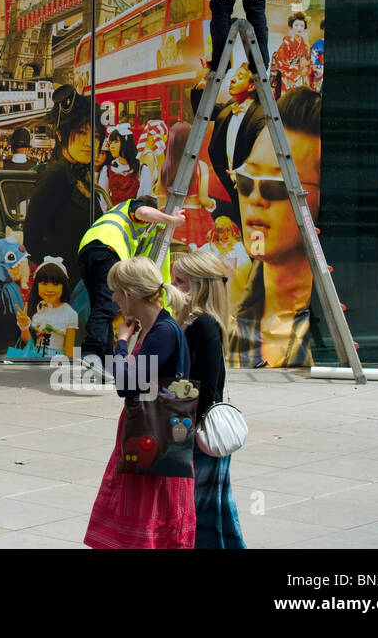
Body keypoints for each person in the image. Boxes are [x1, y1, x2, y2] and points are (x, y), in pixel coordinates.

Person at [84, 256, 196, 549]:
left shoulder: (162, 332)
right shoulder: (154, 328)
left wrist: (120, 343)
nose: (114, 298)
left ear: (131, 294)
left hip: (154, 434)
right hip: (146, 431)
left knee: (149, 515)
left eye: (117, 292)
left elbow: (126, 384)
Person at [227, 87, 321, 368]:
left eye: (275, 187)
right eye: (245, 181)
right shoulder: (229, 294)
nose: (255, 198)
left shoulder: (329, 318)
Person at [171, 250, 246, 550]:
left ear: (199, 286)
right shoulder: (192, 320)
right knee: (210, 505)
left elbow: (209, 385)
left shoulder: (204, 324)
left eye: (179, 281)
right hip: (192, 425)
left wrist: (184, 425)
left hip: (198, 430)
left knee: (204, 506)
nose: (172, 286)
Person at [76, 193, 185, 374]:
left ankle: (105, 361)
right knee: (106, 306)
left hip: (88, 251)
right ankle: (91, 352)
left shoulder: (117, 214)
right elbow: (144, 211)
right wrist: (172, 220)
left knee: (101, 307)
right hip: (108, 250)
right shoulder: (133, 207)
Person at [22, 85, 99, 286]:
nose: (88, 142)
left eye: (95, 136)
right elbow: (32, 241)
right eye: (81, 132)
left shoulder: (80, 174)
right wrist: (65, 273)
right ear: (59, 135)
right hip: (68, 290)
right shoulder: (55, 178)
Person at [190, 60, 262, 227]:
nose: (233, 79)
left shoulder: (261, 113)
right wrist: (202, 86)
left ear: (252, 87)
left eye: (240, 77)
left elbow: (263, 148)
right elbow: (203, 113)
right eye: (234, 76)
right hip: (232, 186)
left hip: (252, 187)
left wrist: (244, 171)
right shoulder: (231, 105)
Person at [161, 122, 215, 249]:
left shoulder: (166, 167)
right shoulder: (201, 167)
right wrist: (212, 204)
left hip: (171, 214)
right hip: (195, 218)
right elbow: (203, 199)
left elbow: (160, 193)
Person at [15, 256, 78, 358]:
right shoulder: (36, 308)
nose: (49, 289)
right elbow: (27, 342)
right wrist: (24, 327)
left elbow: (70, 348)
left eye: (56, 284)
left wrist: (69, 370)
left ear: (64, 286)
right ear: (37, 285)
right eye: (44, 283)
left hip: (56, 362)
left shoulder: (70, 313)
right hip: (34, 358)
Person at [98, 123, 146, 206]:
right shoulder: (106, 170)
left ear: (126, 142)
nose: (112, 146)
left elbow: (142, 200)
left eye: (116, 142)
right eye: (110, 143)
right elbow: (102, 200)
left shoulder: (142, 169)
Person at [271, 10, 313, 98]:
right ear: (291, 27)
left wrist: (305, 67)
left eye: (301, 26)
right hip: (289, 76)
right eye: (296, 25)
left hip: (301, 76)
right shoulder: (286, 42)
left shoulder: (303, 42)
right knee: (289, 99)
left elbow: (306, 59)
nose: (299, 28)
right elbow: (281, 62)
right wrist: (296, 71)